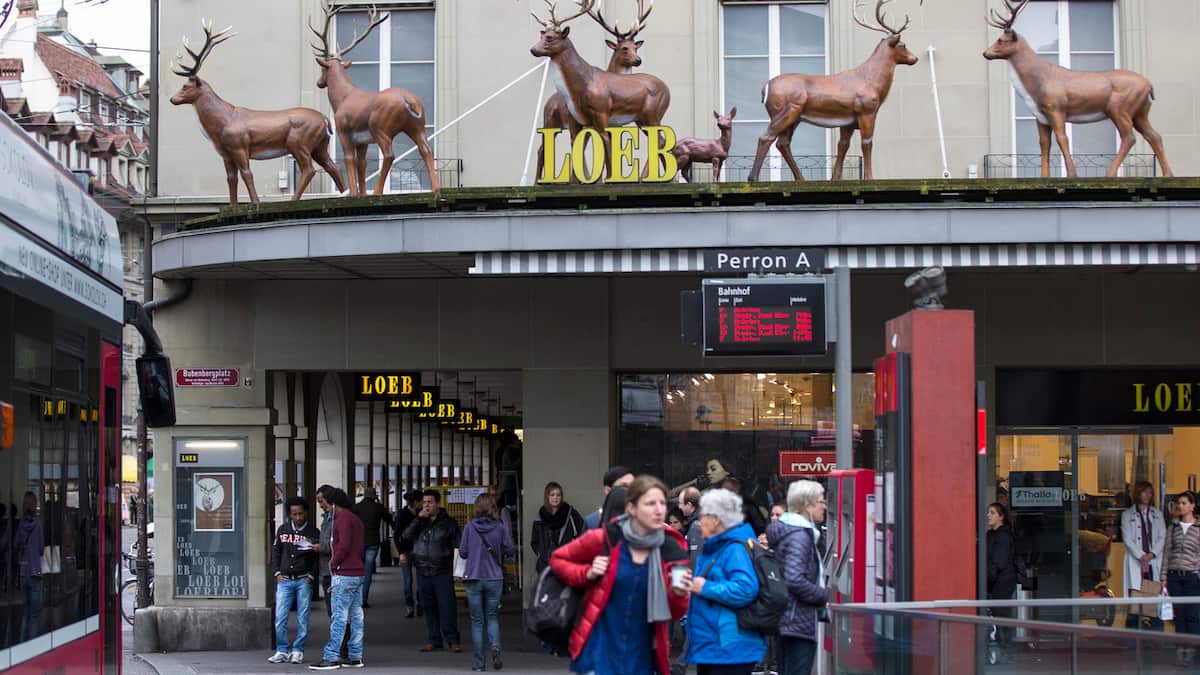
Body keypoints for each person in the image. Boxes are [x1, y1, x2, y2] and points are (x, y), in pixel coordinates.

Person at [551, 475, 691, 675]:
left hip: (641, 657)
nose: (659, 509)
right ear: (632, 508)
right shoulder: (607, 537)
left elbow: (674, 612)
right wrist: (587, 572)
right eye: (650, 503)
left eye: (662, 502)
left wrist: (677, 592)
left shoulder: (669, 548)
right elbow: (558, 560)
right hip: (601, 653)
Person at [682, 488, 766, 675]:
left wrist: (705, 587)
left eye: (702, 516)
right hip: (716, 647)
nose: (698, 522)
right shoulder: (717, 546)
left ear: (716, 520)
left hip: (729, 648)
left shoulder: (734, 549)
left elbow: (745, 588)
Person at [766, 480, 829, 675]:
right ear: (807, 505)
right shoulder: (800, 536)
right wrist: (822, 594)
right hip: (797, 620)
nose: (824, 506)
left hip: (787, 618)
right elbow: (794, 578)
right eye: (821, 501)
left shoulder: (790, 531)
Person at [310, 488, 366, 671]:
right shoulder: (355, 518)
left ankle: (331, 656)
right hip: (357, 572)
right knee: (356, 616)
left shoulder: (342, 520)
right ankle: (355, 655)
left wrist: (333, 564)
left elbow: (342, 546)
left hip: (343, 573)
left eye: (324, 503)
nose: (323, 508)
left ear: (333, 502)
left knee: (339, 617)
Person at [459, 493, 515, 671]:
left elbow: (463, 552)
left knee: (477, 621)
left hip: (473, 577)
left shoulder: (469, 527)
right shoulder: (499, 527)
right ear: (493, 507)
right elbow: (510, 549)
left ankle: (479, 664)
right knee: (492, 617)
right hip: (494, 577)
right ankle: (496, 647)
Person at [402, 489, 463, 653]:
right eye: (424, 502)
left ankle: (453, 640)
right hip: (422, 570)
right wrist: (418, 520)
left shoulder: (449, 523)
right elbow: (405, 538)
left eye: (430, 502)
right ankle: (434, 640)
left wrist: (458, 569)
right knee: (428, 606)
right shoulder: (419, 522)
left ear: (438, 503)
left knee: (447, 607)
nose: (426, 505)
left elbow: (458, 546)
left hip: (442, 570)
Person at [269, 496, 320, 664]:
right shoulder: (283, 530)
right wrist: (276, 572)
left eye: (301, 513)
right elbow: (276, 551)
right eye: (294, 514)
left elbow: (316, 557)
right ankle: (282, 650)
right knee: (280, 617)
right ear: (290, 515)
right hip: (284, 579)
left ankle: (298, 650)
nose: (298, 517)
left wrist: (311, 576)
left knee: (302, 617)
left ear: (306, 512)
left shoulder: (313, 532)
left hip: (303, 579)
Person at [1162, 490, 1200, 667]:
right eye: (1179, 503)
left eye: (1185, 503)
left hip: (1192, 576)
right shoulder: (1174, 527)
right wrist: (1163, 576)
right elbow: (1167, 552)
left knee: (1192, 615)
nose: (1181, 506)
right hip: (1174, 575)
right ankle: (1181, 650)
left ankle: (1192, 650)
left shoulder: (1199, 528)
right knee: (1179, 615)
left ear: (1193, 506)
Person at [1121, 480, 1166, 630]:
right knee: (1135, 601)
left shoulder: (1157, 514)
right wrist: (1141, 556)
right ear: (1137, 493)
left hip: (1153, 562)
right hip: (1136, 563)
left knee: (1154, 600)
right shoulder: (1127, 515)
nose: (1147, 495)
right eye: (1144, 492)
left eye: (1150, 492)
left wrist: (1151, 555)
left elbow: (1162, 537)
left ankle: (1157, 636)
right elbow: (1127, 539)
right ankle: (1133, 637)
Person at [985, 502, 1018, 664]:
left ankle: (1007, 648)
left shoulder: (1003, 535)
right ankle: (1002, 647)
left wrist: (987, 577)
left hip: (1002, 580)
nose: (988, 515)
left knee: (1001, 614)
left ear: (1001, 516)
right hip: (996, 580)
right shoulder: (991, 535)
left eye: (992, 513)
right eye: (988, 512)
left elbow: (998, 561)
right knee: (999, 614)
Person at [352, 487, 392, 609]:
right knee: (367, 571)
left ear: (364, 495)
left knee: (357, 571)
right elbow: (389, 519)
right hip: (373, 542)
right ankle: (364, 599)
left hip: (358, 543)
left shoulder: (356, 507)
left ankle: (356, 598)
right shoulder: (378, 507)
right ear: (374, 496)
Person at [531, 482, 585, 573]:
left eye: (558, 495)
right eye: (552, 495)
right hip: (545, 566)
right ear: (547, 496)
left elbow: (583, 533)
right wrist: (542, 555)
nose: (555, 498)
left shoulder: (571, 514)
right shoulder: (540, 517)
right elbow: (534, 541)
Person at [14, 491, 44, 641]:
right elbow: (40, 549)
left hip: (23, 572)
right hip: (35, 573)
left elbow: (16, 544)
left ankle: (21, 643)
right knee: (34, 615)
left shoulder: (20, 524)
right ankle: (32, 646)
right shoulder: (38, 525)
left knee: (25, 613)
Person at [393, 490, 424, 618]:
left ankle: (419, 603)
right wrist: (400, 553)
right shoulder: (402, 514)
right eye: (421, 501)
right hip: (405, 550)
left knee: (421, 579)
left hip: (420, 550)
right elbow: (396, 535)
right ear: (416, 502)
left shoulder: (421, 513)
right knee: (408, 580)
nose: (423, 503)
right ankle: (409, 606)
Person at [584, 466, 636, 530]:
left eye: (633, 486)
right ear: (608, 490)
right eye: (624, 486)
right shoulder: (593, 521)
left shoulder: (643, 517)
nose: (630, 490)